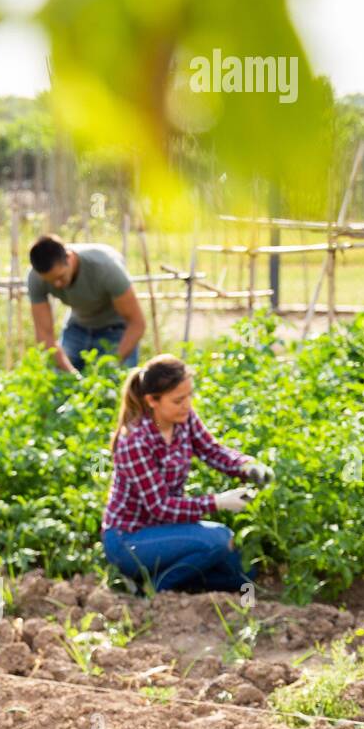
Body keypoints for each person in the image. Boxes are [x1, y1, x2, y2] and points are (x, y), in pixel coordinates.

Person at [101, 354, 272, 593]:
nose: (187, 405)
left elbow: (212, 451)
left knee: (242, 573)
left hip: (170, 530)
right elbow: (160, 507)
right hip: (130, 539)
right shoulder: (135, 441)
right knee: (220, 539)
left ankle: (167, 582)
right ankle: (154, 588)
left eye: (189, 395)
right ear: (152, 400)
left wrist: (246, 465)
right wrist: (218, 502)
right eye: (178, 400)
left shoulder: (183, 419)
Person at [28, 233, 146, 376]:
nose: (57, 284)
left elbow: (137, 323)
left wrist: (111, 365)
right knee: (60, 382)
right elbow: (44, 334)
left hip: (117, 330)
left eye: (60, 277)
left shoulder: (106, 268)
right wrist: (70, 374)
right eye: (50, 281)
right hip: (78, 327)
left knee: (116, 384)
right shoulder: (36, 277)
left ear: (69, 258)